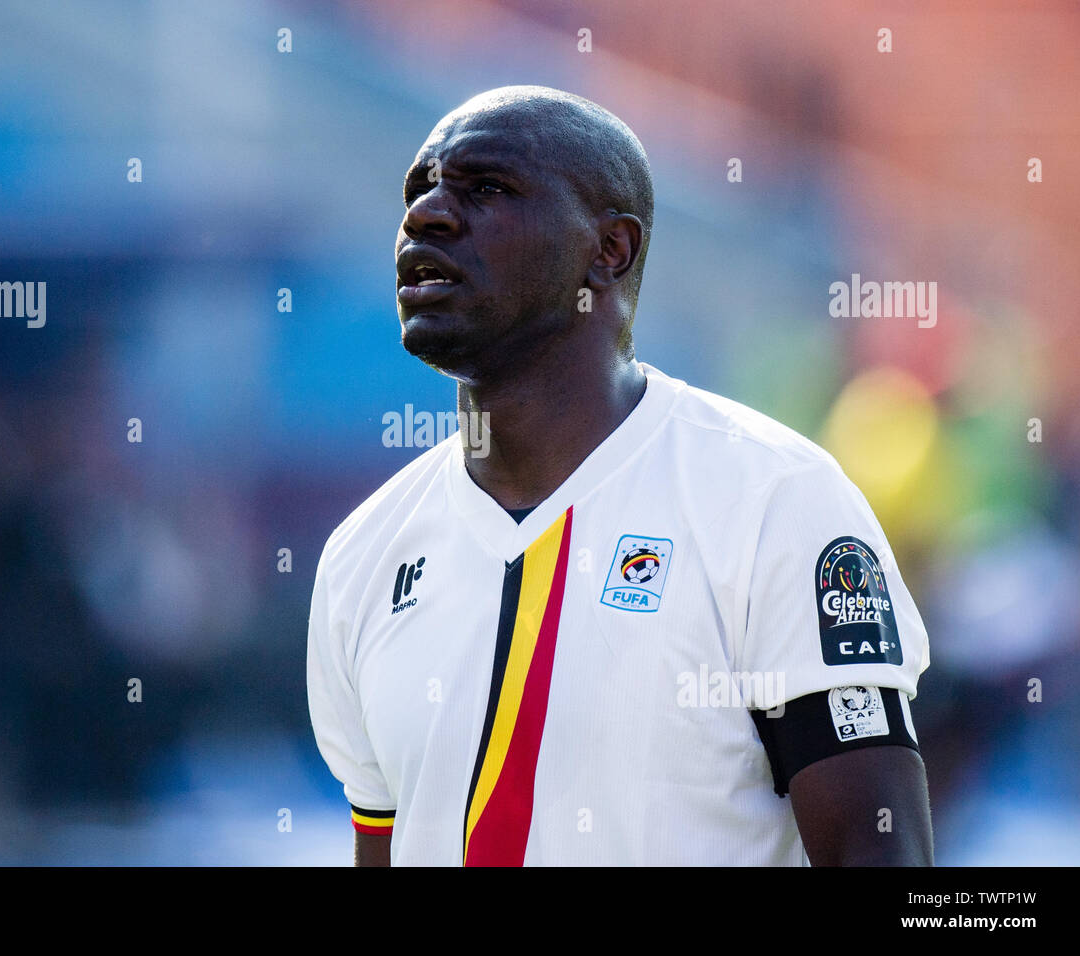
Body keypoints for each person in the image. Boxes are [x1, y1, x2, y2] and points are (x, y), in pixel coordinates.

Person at [307, 85, 932, 866]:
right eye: (418, 190)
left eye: (487, 188)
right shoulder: (361, 557)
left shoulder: (775, 501)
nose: (425, 215)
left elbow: (882, 855)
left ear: (610, 251)